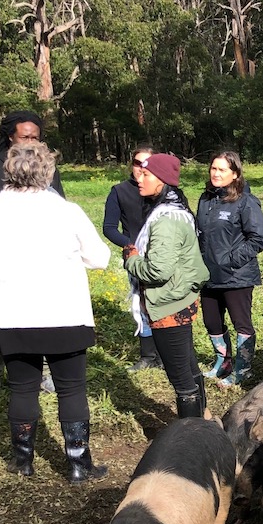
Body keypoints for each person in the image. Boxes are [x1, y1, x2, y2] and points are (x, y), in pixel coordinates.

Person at [0, 142, 110, 481]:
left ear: (7, 171)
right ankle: (79, 464)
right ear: (48, 172)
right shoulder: (67, 211)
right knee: (72, 388)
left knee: (22, 388)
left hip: (11, 315)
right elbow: (99, 258)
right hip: (64, 313)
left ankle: (23, 461)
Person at [0, 110, 64, 413]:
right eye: (25, 136)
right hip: (7, 265)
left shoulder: (49, 170)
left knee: (42, 321)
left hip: (44, 262)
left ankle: (41, 374)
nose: (32, 142)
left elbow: (59, 209)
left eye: (36, 136)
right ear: (10, 137)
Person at [123, 152, 211, 418]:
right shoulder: (174, 210)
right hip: (178, 299)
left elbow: (158, 270)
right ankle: (204, 423)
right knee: (189, 367)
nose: (139, 178)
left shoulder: (166, 219)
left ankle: (191, 438)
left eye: (146, 174)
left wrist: (131, 260)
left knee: (182, 380)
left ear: (161, 181)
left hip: (168, 306)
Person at [195, 150, 263, 388]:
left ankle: (243, 369)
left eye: (222, 170)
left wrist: (230, 261)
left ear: (235, 174)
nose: (216, 174)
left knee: (241, 324)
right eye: (213, 168)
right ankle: (223, 362)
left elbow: (258, 238)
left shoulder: (245, 202)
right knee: (212, 323)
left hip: (237, 276)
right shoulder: (205, 199)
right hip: (209, 275)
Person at [102, 144, 160, 371]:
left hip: (162, 256)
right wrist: (130, 247)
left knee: (164, 304)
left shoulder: (164, 190)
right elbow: (109, 227)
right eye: (137, 163)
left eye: (147, 164)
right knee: (142, 304)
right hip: (136, 258)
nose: (141, 169)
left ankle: (166, 355)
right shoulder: (119, 191)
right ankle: (148, 355)